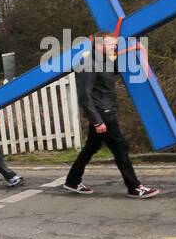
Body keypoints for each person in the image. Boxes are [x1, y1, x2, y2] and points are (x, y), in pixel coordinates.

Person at [65, 35, 160, 198]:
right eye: (111, 44)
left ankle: (72, 181)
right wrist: (97, 121)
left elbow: (117, 67)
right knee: (120, 147)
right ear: (100, 45)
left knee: (91, 148)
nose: (114, 47)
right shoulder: (88, 65)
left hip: (105, 113)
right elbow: (84, 96)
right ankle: (134, 187)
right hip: (103, 115)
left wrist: (135, 49)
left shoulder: (104, 62)